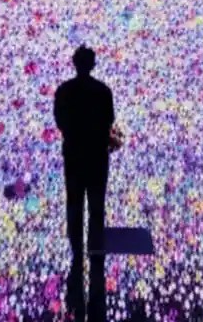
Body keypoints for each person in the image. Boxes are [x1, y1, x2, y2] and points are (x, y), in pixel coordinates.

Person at [54, 46, 118, 264]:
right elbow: (108, 120)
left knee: (74, 202)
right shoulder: (103, 91)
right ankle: (96, 250)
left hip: (74, 154)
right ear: (93, 64)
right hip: (97, 155)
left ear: (75, 63)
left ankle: (76, 253)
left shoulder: (64, 90)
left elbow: (60, 122)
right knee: (96, 203)